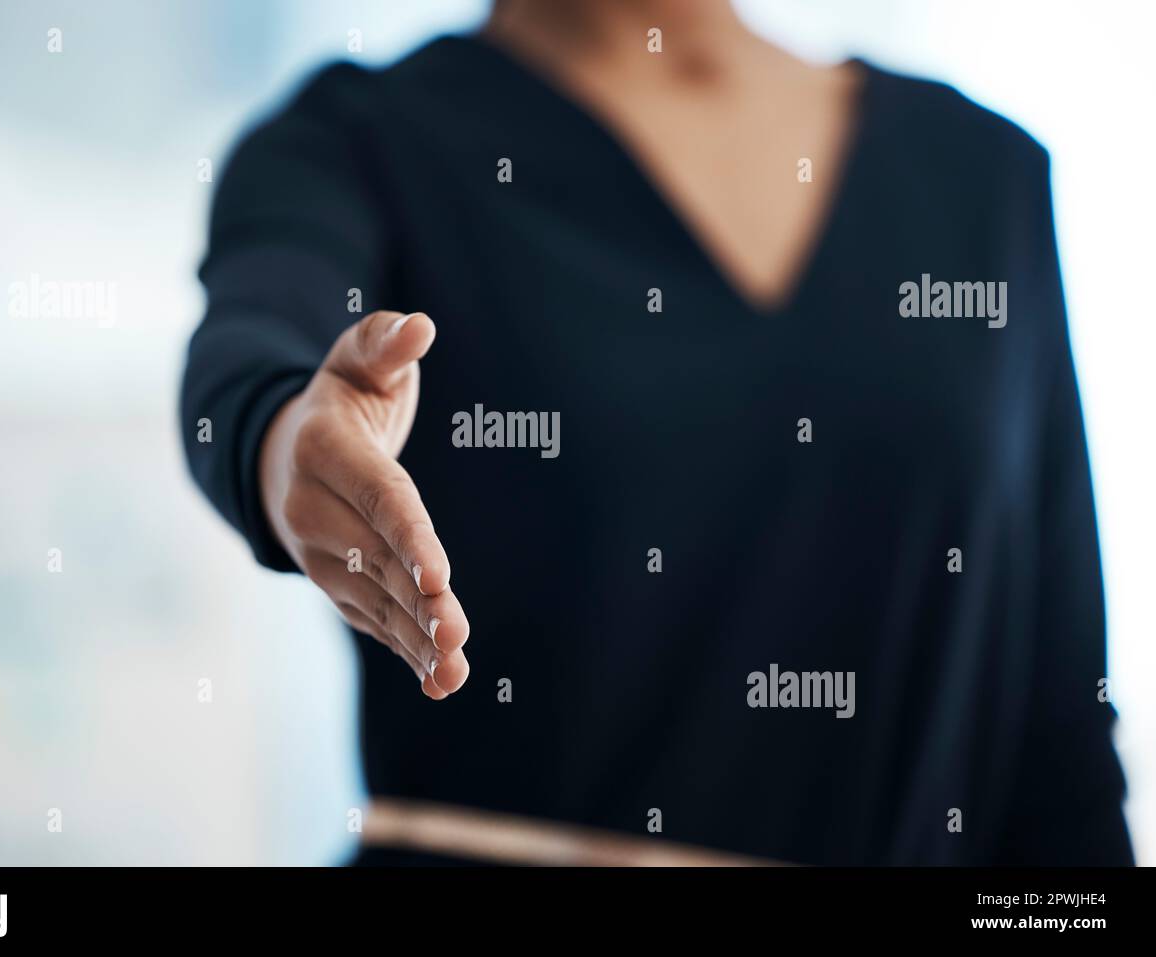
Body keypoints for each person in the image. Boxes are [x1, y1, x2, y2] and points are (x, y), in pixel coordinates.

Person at [180, 0, 1132, 865]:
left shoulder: (983, 173)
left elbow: (1059, 753)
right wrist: (284, 440)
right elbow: (258, 347)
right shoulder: (355, 142)